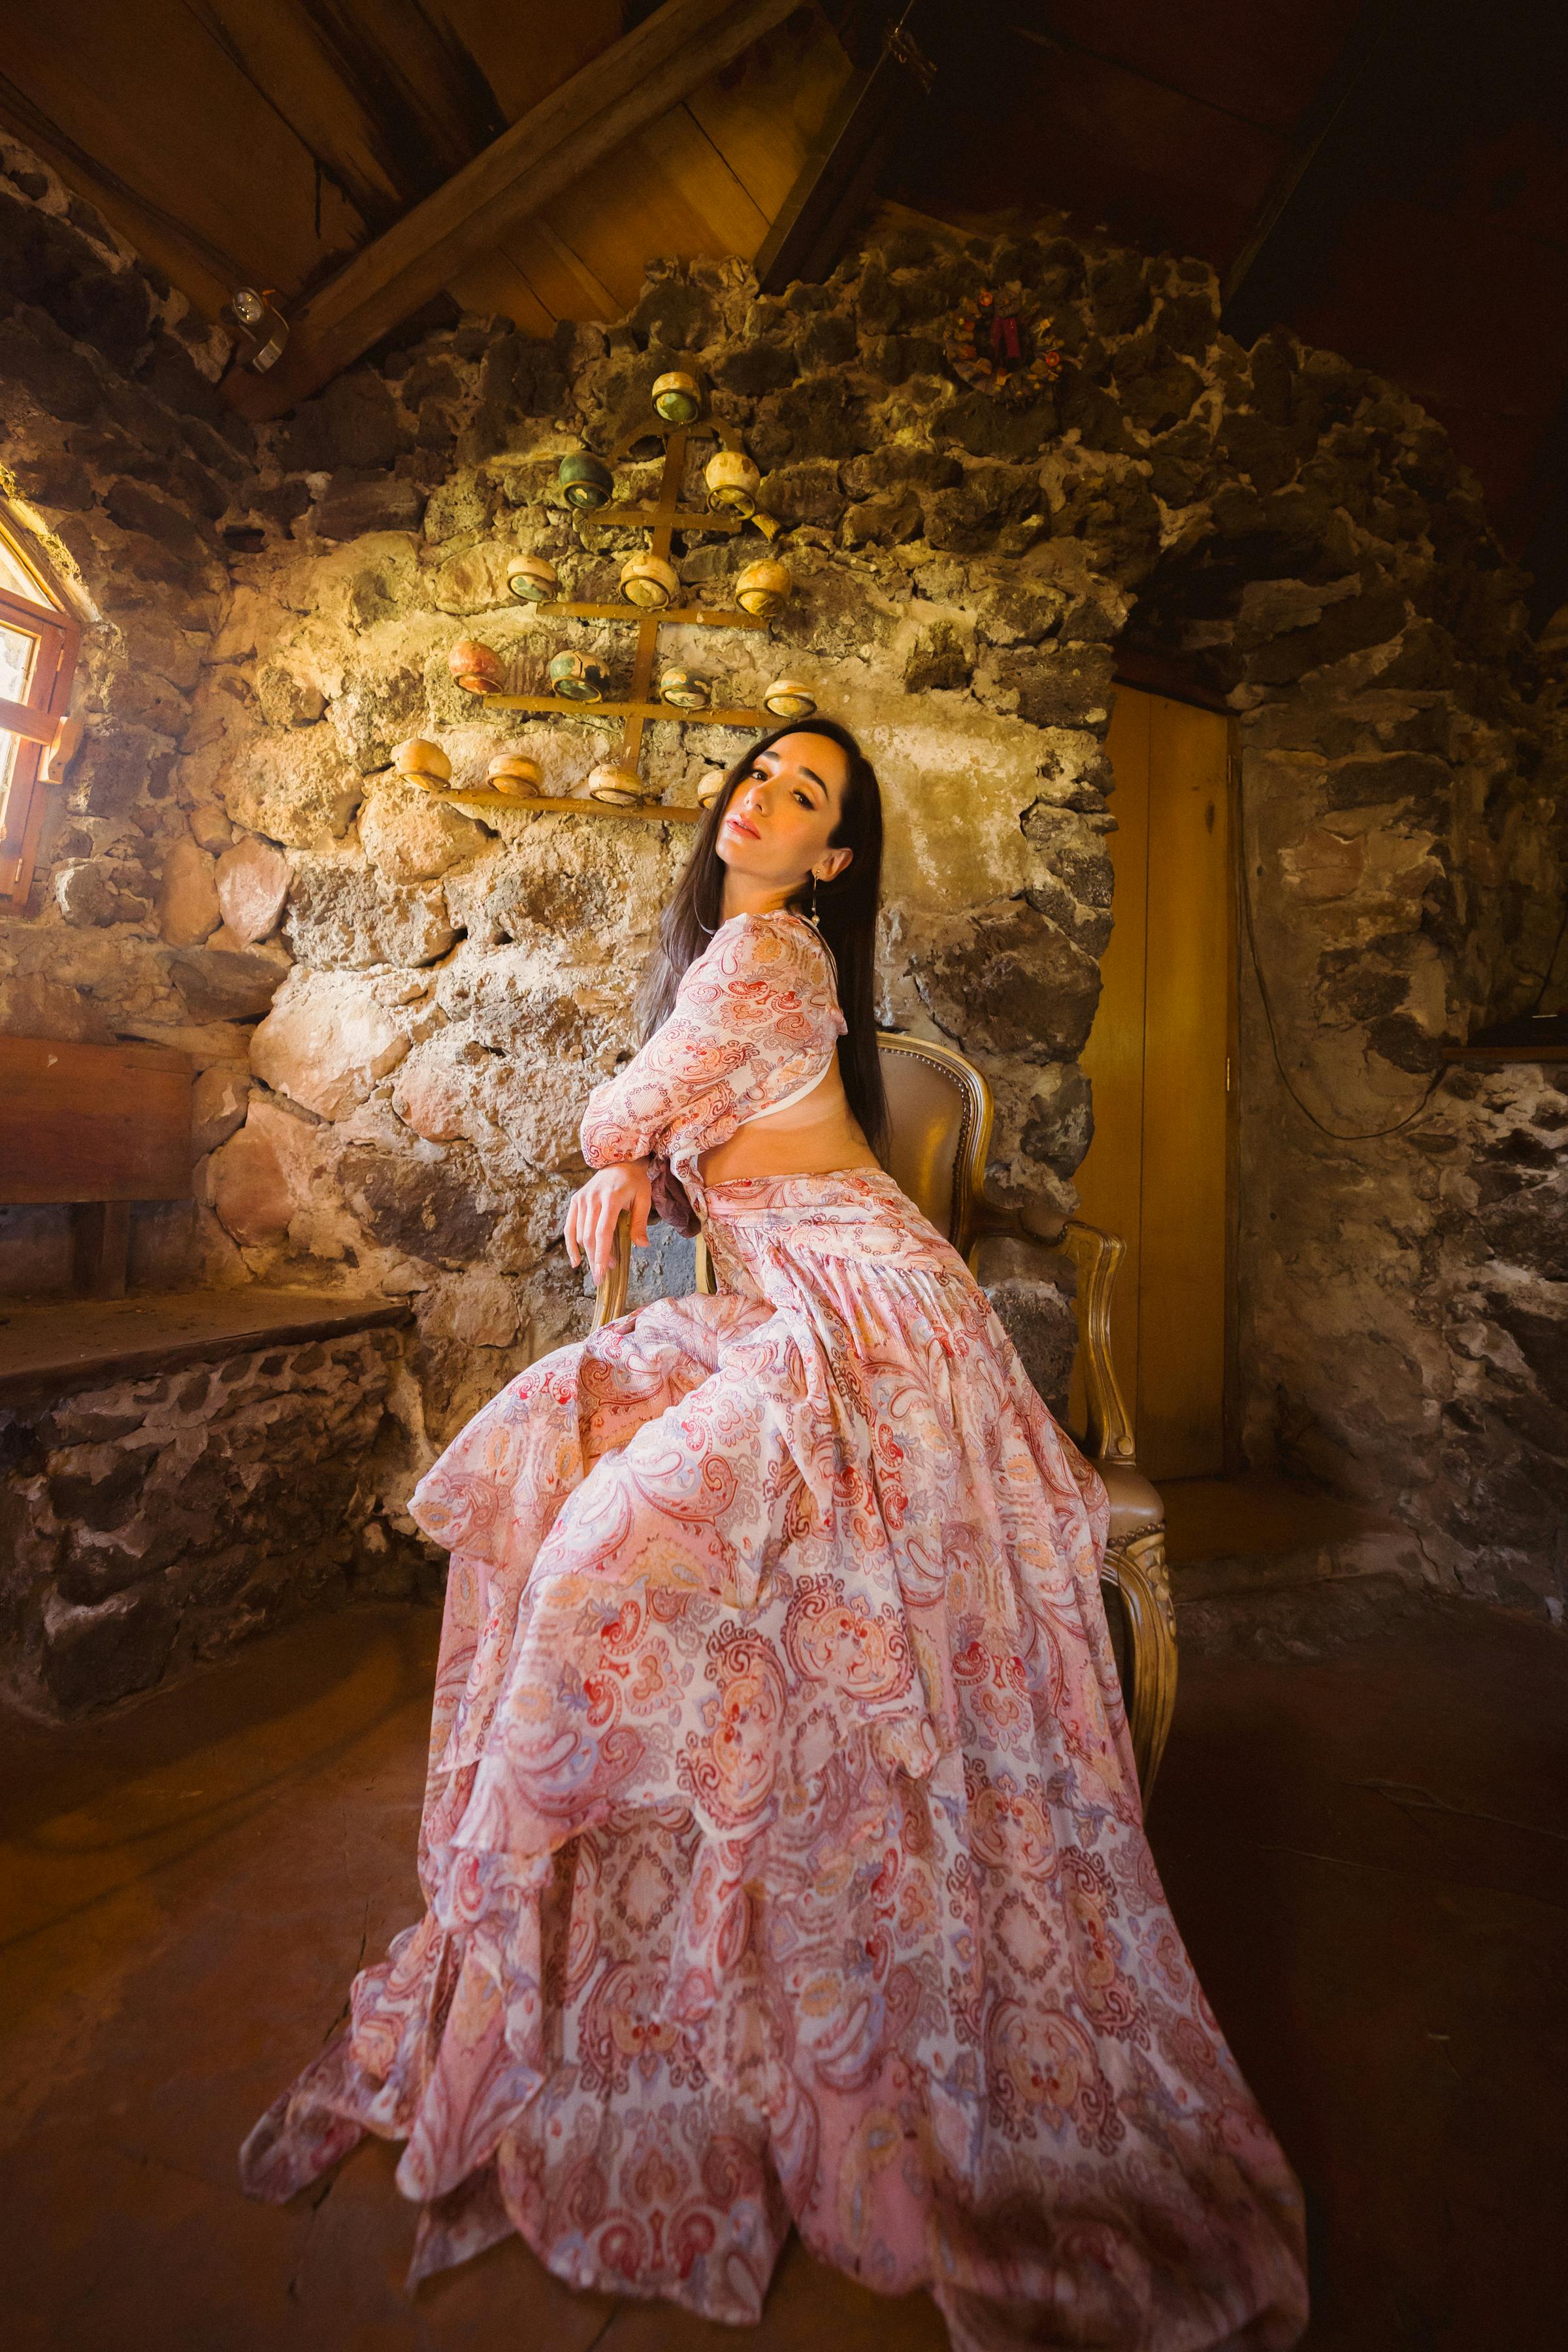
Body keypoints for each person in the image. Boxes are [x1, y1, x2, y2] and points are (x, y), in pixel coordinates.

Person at [242, 720, 1309, 2349]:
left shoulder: (766, 954)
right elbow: (664, 1132)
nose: (764, 797)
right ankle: (632, 1940)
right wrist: (645, 1172)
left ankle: (651, 1954)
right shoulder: (741, 957)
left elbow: (621, 1104)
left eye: (806, 796)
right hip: (788, 1305)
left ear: (833, 862)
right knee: (582, 1467)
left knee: (603, 1543)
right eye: (758, 773)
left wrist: (625, 1152)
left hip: (867, 1321)